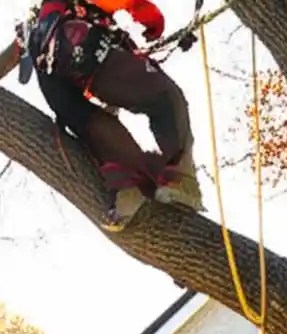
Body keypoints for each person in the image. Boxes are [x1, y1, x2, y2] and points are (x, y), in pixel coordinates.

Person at [22, 0, 204, 231]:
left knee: (94, 125)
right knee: (165, 97)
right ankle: (181, 179)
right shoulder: (70, 13)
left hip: (57, 77)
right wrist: (152, 19)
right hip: (84, 49)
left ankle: (130, 192)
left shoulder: (45, 25)